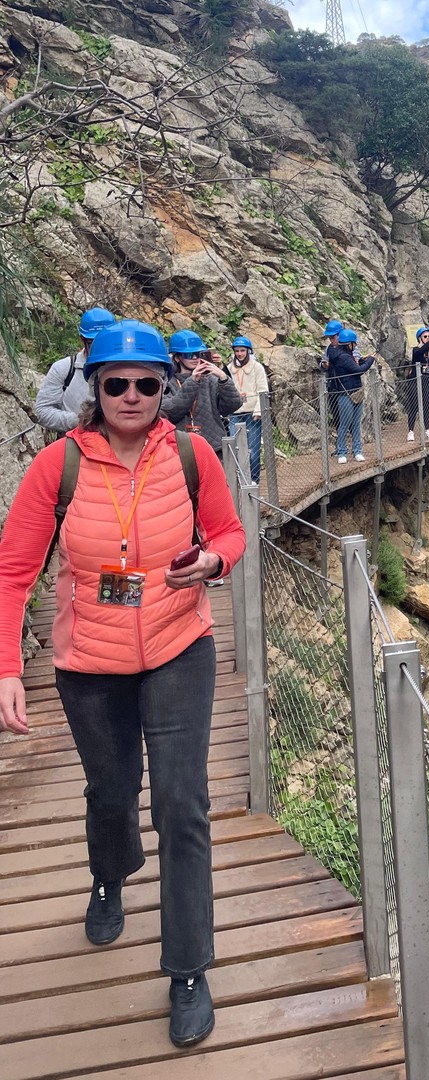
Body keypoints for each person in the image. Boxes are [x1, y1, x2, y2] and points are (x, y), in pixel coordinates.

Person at [0, 319, 247, 1048]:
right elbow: (14, 571)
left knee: (182, 801)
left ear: (164, 386)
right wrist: (8, 667)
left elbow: (230, 533)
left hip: (178, 645)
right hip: (90, 664)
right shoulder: (59, 467)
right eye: (117, 384)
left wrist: (214, 565)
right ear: (95, 388)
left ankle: (189, 967)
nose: (133, 396)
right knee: (112, 790)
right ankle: (110, 874)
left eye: (146, 383)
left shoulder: (194, 456)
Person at [34, 307, 117, 436]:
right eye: (93, 343)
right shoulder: (64, 369)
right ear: (82, 340)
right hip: (74, 444)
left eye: (105, 343)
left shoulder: (127, 370)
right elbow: (42, 411)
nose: (100, 349)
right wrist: (79, 421)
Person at [163, 330, 242, 457]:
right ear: (177, 358)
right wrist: (193, 380)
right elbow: (171, 411)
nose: (194, 358)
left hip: (213, 447)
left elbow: (232, 405)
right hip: (180, 449)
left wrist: (223, 377)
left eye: (197, 354)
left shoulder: (211, 380)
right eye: (189, 355)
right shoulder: (168, 383)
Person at [226, 336, 270, 483]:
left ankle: (254, 480)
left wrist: (258, 411)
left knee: (253, 449)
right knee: (235, 448)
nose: (239, 353)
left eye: (242, 350)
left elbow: (263, 390)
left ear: (248, 351)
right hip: (235, 412)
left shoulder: (257, 367)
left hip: (252, 413)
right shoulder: (229, 369)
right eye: (237, 351)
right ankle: (240, 479)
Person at [326, 329, 374, 462]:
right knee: (345, 424)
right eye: (354, 343)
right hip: (346, 394)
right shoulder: (343, 357)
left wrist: (364, 361)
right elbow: (358, 370)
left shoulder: (345, 355)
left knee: (355, 423)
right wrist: (371, 360)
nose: (356, 346)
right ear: (349, 344)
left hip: (355, 392)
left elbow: (355, 367)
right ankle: (342, 452)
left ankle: (357, 451)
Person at [405, 327, 429, 441]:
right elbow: (420, 352)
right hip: (415, 381)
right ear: (420, 338)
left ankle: (427, 430)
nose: (427, 338)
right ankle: (411, 431)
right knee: (413, 406)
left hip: (427, 381)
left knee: (426, 406)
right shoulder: (416, 350)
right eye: (425, 336)